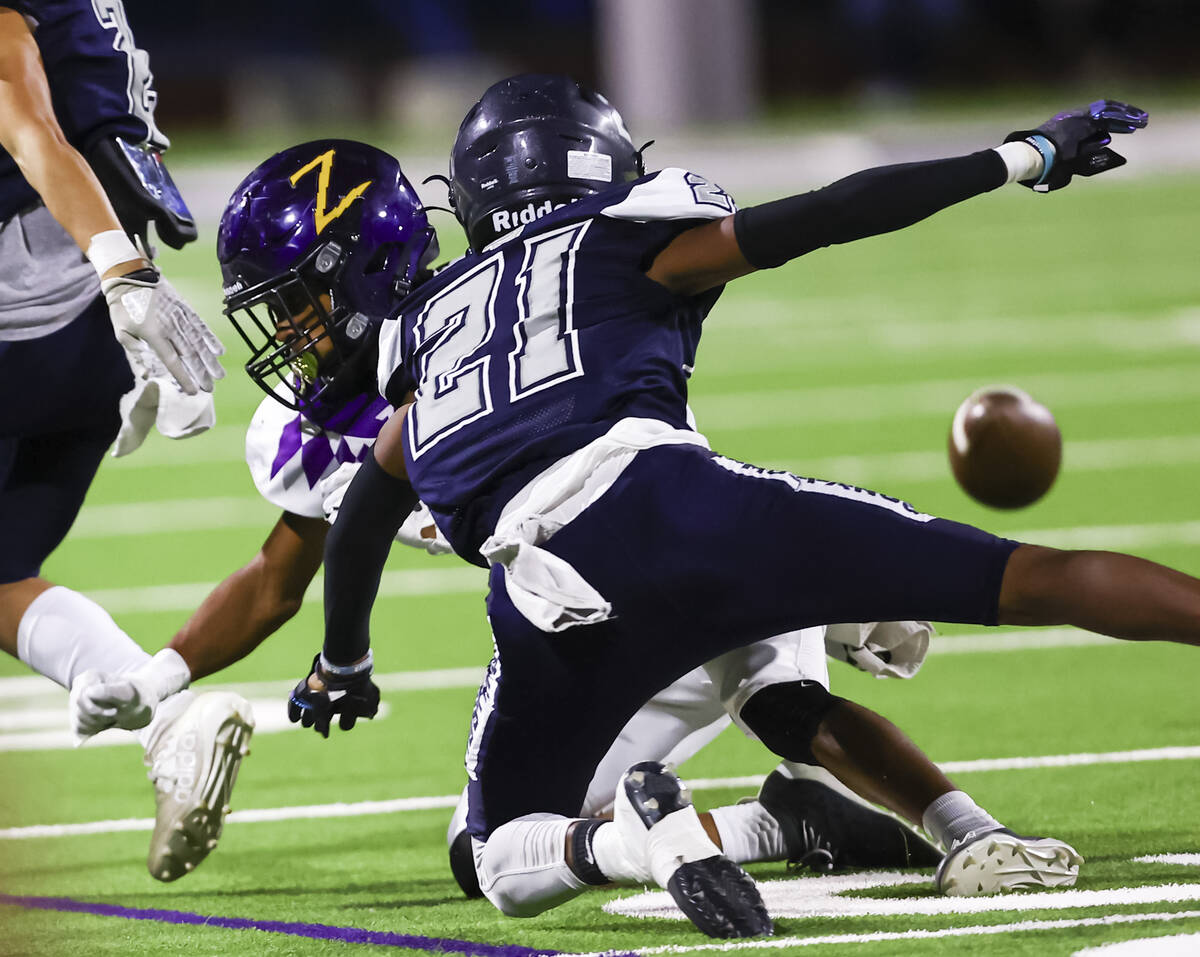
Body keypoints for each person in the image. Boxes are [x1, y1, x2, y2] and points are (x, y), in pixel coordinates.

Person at [290, 74, 1178, 939]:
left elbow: (364, 511)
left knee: (495, 861)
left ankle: (634, 842)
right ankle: (957, 824)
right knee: (1031, 578)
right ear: (597, 161)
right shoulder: (625, 237)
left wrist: (343, 662)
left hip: (543, 598)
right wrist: (1023, 156)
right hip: (675, 511)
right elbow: (830, 212)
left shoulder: (429, 329)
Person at [100, 137, 1061, 903]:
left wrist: (826, 588)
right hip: (573, 622)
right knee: (484, 849)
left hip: (674, 541)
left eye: (298, 306)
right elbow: (278, 576)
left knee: (777, 699)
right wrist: (153, 680)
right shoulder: (311, 433)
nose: (288, 335)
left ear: (362, 273)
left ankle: (970, 830)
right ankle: (782, 823)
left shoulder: (488, 314)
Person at [0, 0, 249, 883]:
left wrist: (122, 270)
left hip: (35, 316)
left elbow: (31, 131)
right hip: (94, 331)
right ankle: (169, 724)